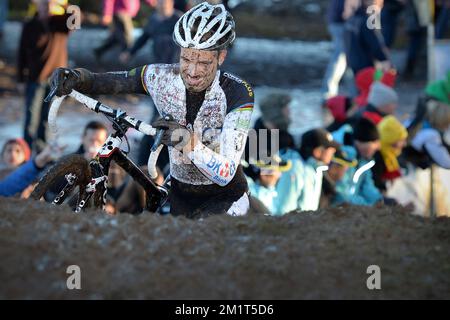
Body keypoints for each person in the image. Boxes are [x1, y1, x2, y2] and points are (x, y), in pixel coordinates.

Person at [47, 2, 254, 218]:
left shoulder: (238, 93)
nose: (192, 71)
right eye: (186, 58)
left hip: (225, 198)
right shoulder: (161, 77)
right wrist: (78, 77)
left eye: (203, 62)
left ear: (221, 57)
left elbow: (226, 173)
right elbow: (116, 81)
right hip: (180, 194)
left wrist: (186, 141)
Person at [17, 0, 70, 152]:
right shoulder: (30, 25)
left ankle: (43, 150)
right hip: (35, 78)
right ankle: (26, 150)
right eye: (43, 3)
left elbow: (76, 19)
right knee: (30, 116)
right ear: (37, 5)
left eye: (50, 3)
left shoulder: (61, 23)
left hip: (56, 80)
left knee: (48, 116)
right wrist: (20, 78)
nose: (47, 6)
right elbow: (21, 53)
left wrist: (63, 4)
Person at [332, 118, 383, 206]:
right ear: (360, 142)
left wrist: (379, 200)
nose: (378, 147)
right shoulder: (342, 158)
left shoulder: (363, 160)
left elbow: (367, 186)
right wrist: (367, 207)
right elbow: (342, 195)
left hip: (352, 207)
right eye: (374, 142)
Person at [344, 0, 391, 76]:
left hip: (353, 64)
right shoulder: (367, 20)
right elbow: (374, 44)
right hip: (365, 67)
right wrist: (384, 59)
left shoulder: (352, 19)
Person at [372, 115, 408, 192]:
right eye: (401, 140)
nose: (404, 144)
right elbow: (376, 184)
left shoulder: (389, 155)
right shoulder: (378, 158)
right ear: (390, 139)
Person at [321, 0, 349, 99]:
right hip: (341, 22)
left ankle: (329, 93)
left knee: (342, 58)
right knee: (340, 58)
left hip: (338, 20)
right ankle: (328, 93)